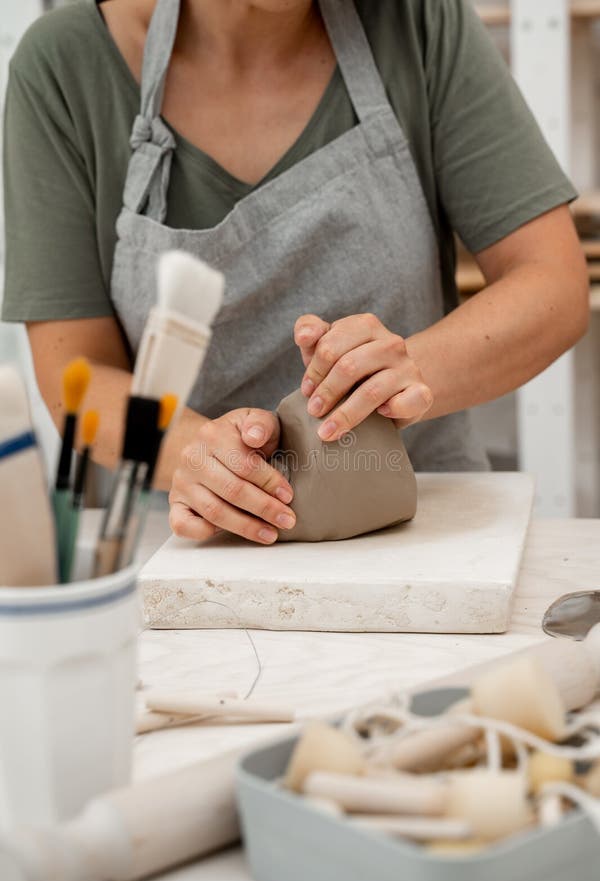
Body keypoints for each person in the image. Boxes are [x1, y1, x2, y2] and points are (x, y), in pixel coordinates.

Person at [2, 0, 588, 545]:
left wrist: (408, 371)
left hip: (425, 532)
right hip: (196, 546)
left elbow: (552, 285)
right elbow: (75, 373)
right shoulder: (66, 64)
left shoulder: (416, 21)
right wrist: (188, 452)